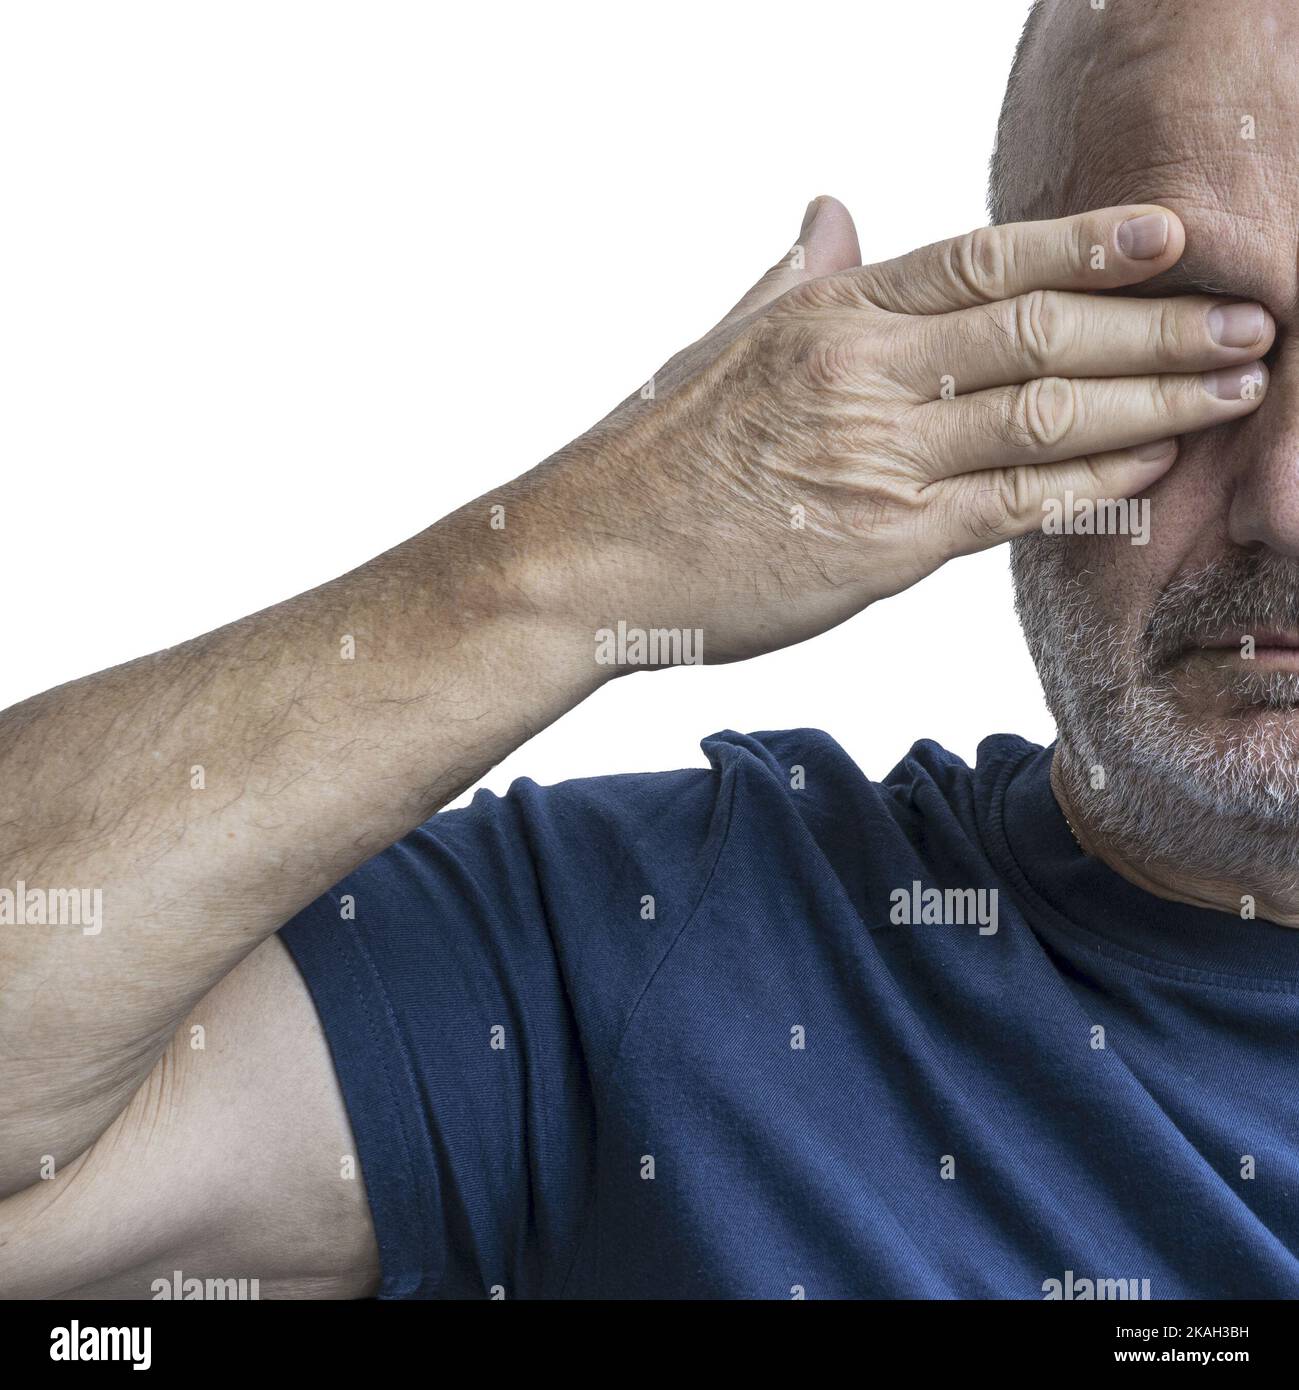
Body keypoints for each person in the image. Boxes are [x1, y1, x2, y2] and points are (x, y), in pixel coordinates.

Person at [2, 0, 1294, 1299]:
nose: (1284, 500)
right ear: (1019, 360)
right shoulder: (671, 949)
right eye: (1192, 335)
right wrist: (576, 563)